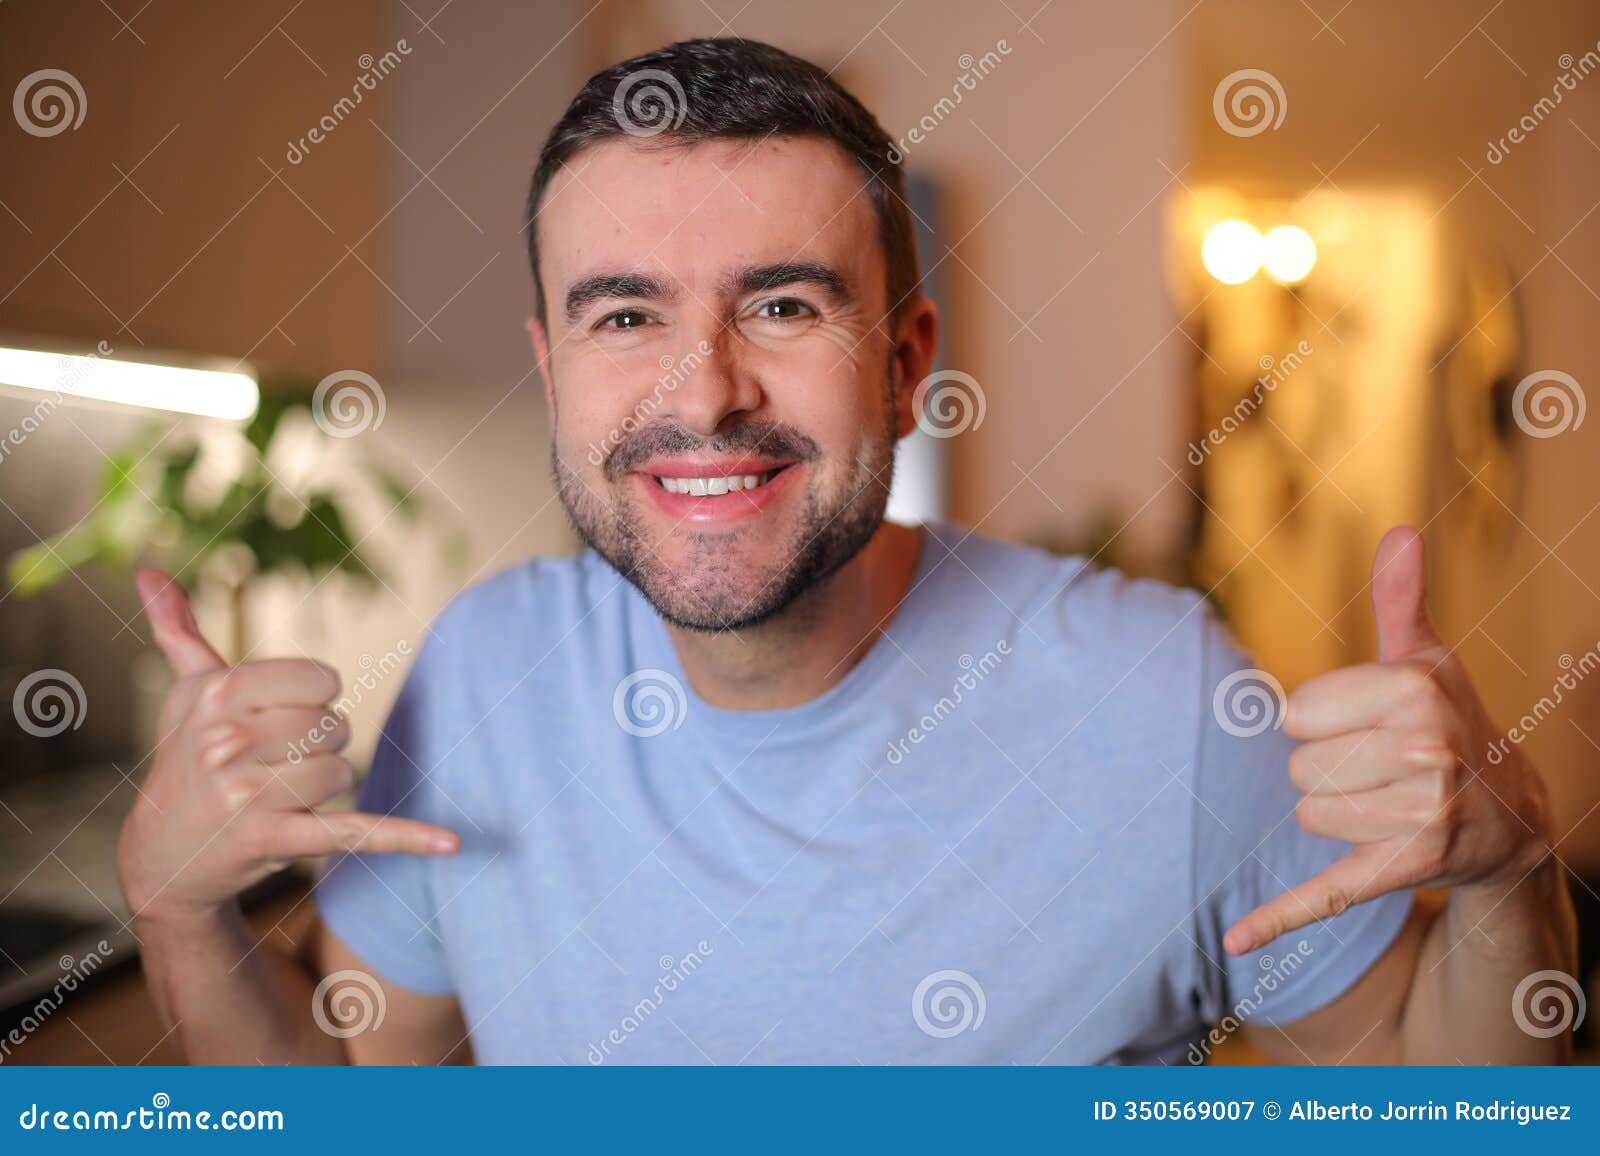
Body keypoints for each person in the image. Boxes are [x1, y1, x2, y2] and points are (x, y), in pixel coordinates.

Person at [118, 37, 1574, 1065]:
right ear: (554, 370)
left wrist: (1517, 881)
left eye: (786, 306)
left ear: (906, 362)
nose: (703, 391)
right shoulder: (488, 668)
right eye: (624, 314)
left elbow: (1443, 1105)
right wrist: (175, 904)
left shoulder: (1162, 696)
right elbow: (336, 1097)